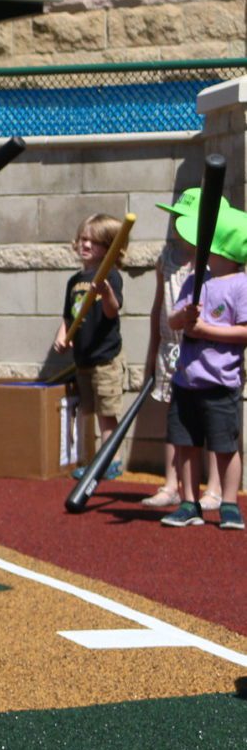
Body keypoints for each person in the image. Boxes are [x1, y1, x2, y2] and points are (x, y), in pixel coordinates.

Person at [160, 205, 247, 530]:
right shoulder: (195, 280)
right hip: (186, 381)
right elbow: (173, 318)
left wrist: (206, 330)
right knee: (186, 444)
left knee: (225, 447)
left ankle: (229, 503)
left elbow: (245, 331)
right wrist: (184, 319)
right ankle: (188, 502)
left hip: (220, 382)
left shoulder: (240, 284)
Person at [138, 191, 222, 512]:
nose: (175, 224)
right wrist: (152, 352)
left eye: (183, 218)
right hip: (171, 349)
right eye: (174, 218)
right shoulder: (167, 259)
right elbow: (158, 305)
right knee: (175, 421)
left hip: (204, 351)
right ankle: (172, 484)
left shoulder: (217, 263)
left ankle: (213, 487)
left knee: (211, 418)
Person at [53, 213, 127, 484]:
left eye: (94, 242)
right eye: (83, 239)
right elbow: (68, 317)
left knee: (107, 413)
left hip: (105, 358)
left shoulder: (110, 277)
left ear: (108, 248)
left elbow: (112, 311)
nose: (86, 245)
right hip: (83, 359)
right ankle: (89, 459)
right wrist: (62, 338)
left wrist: (105, 292)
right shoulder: (74, 281)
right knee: (87, 411)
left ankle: (111, 461)